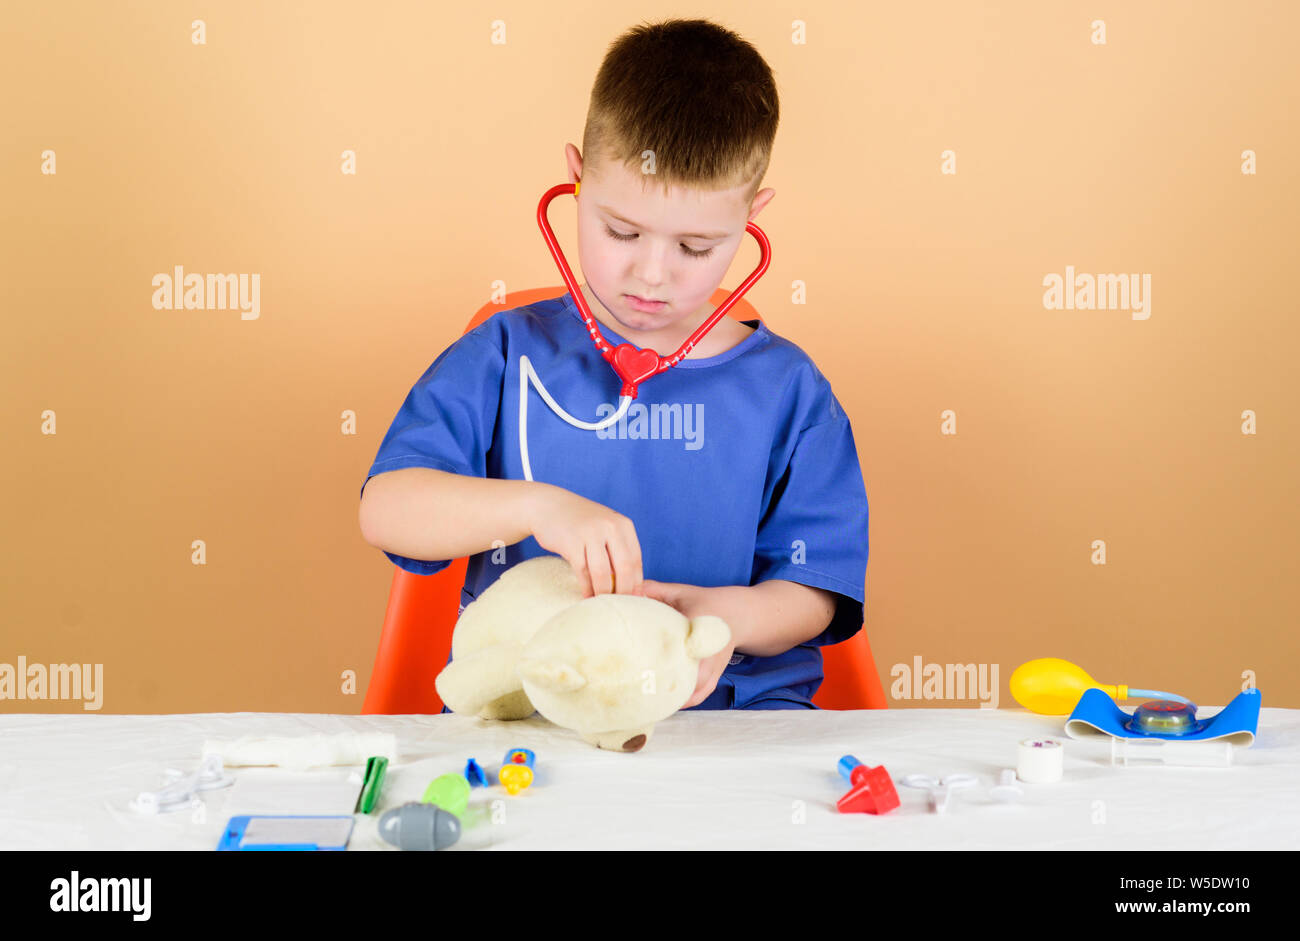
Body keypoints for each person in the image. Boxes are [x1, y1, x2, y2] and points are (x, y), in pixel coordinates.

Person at [359, 18, 869, 711]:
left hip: (732, 722)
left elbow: (814, 590)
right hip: (542, 719)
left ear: (754, 217)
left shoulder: (788, 391)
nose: (651, 274)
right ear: (574, 181)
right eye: (621, 230)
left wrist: (718, 620)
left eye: (696, 246)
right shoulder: (508, 354)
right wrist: (540, 507)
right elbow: (387, 508)